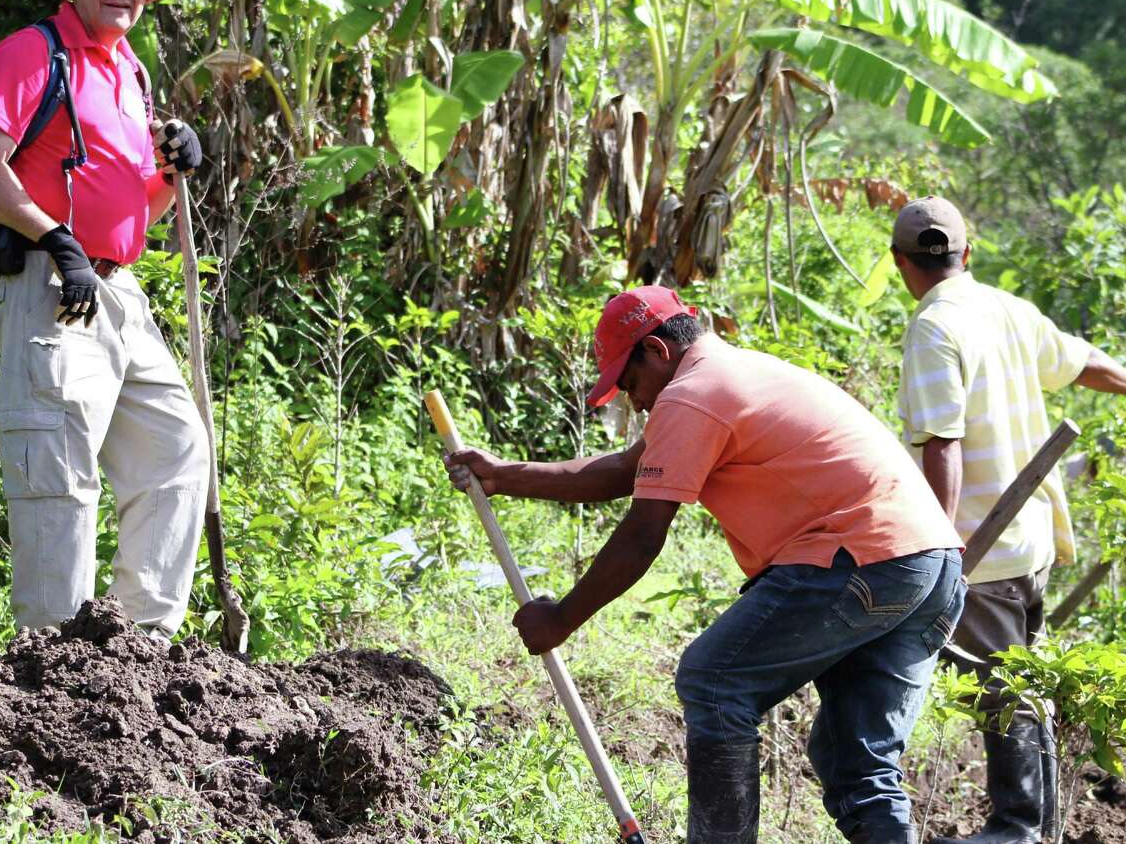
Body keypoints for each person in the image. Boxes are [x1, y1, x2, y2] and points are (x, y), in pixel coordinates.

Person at [445, 285, 966, 844]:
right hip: (930, 564)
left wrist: (562, 618)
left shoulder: (692, 394)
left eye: (629, 382)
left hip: (857, 556)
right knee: (856, 760)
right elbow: (625, 471)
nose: (634, 400)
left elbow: (645, 534)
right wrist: (504, 475)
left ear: (657, 351)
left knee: (715, 680)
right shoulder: (730, 375)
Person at [0, 0, 210, 640]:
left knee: (177, 450)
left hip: (116, 289)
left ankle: (138, 654)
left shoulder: (131, 72)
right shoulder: (33, 53)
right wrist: (56, 239)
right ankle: (53, 669)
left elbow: (139, 209)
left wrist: (173, 170)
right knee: (59, 473)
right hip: (49, 284)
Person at [891, 197, 1126, 844]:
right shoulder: (1005, 309)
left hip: (982, 546)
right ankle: (1039, 823)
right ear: (967, 255)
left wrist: (940, 551)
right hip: (1032, 538)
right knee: (1023, 677)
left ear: (901, 264)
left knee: (1002, 687)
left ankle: (1018, 826)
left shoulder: (933, 326)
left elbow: (942, 441)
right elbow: (1086, 366)